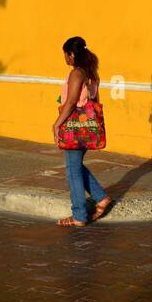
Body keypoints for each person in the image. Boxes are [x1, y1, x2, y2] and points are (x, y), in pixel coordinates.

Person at [54, 36, 112, 227]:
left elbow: (71, 103)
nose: (65, 59)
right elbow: (93, 101)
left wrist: (57, 124)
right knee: (76, 166)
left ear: (72, 54)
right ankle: (100, 197)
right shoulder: (91, 74)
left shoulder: (77, 73)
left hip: (74, 127)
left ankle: (79, 215)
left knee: (72, 171)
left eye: (66, 55)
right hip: (87, 128)